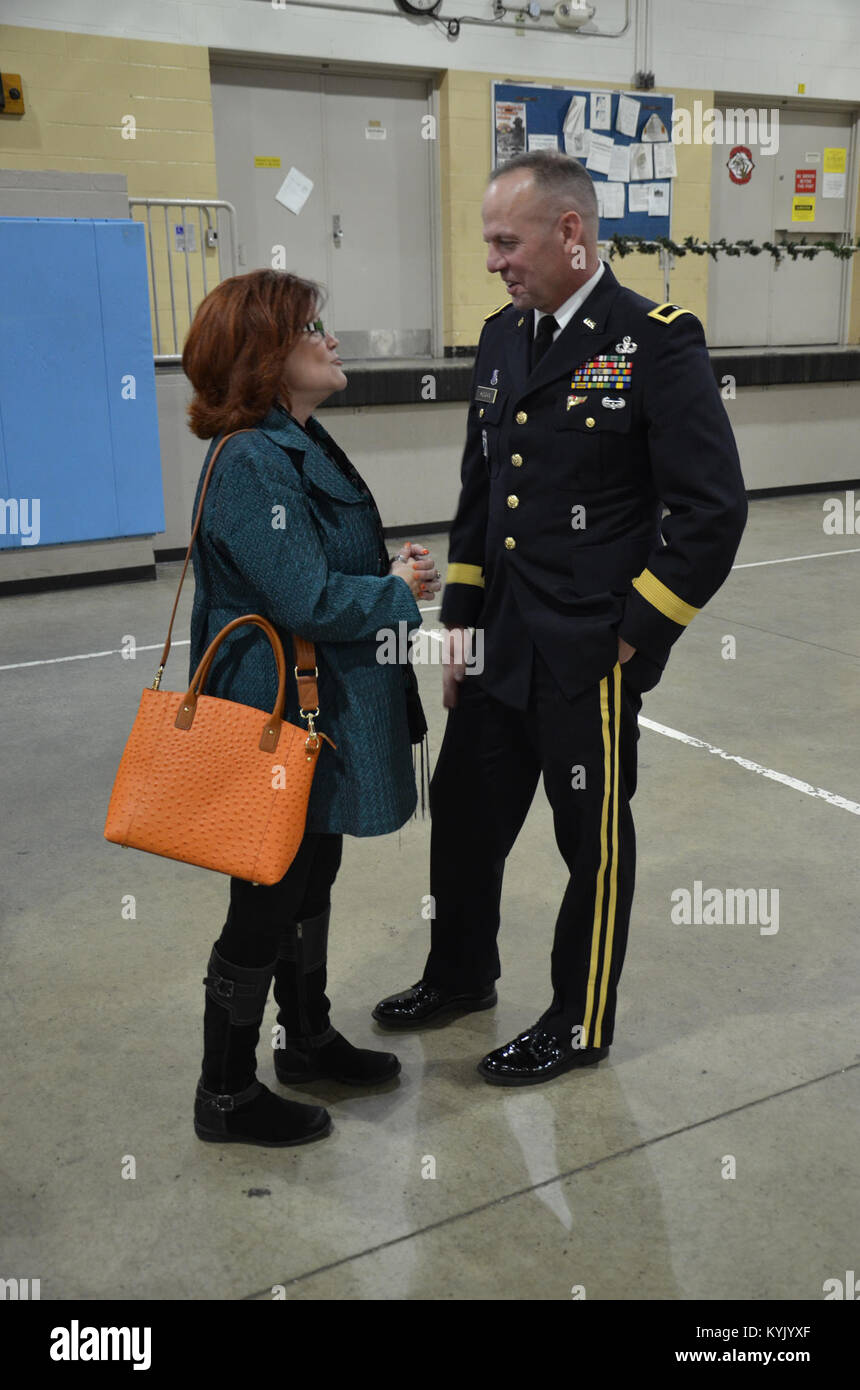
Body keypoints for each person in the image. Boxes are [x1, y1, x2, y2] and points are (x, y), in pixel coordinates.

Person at [373, 151, 748, 1084]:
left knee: (591, 842)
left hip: (589, 653)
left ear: (570, 233)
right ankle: (460, 974)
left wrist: (636, 631)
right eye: (491, 244)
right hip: (498, 642)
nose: (495, 262)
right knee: (462, 816)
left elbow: (712, 509)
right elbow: (478, 503)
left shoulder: (654, 339)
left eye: (508, 242)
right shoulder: (504, 336)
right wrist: (457, 635)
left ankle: (579, 1021)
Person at [181, 269, 441, 1145]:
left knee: (311, 871)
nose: (332, 341)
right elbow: (307, 598)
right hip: (272, 715)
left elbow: (331, 571)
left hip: (312, 711)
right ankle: (224, 1092)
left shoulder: (300, 438)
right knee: (266, 890)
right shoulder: (251, 458)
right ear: (267, 355)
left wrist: (389, 579)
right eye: (312, 329)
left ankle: (306, 1040)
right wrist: (397, 592)